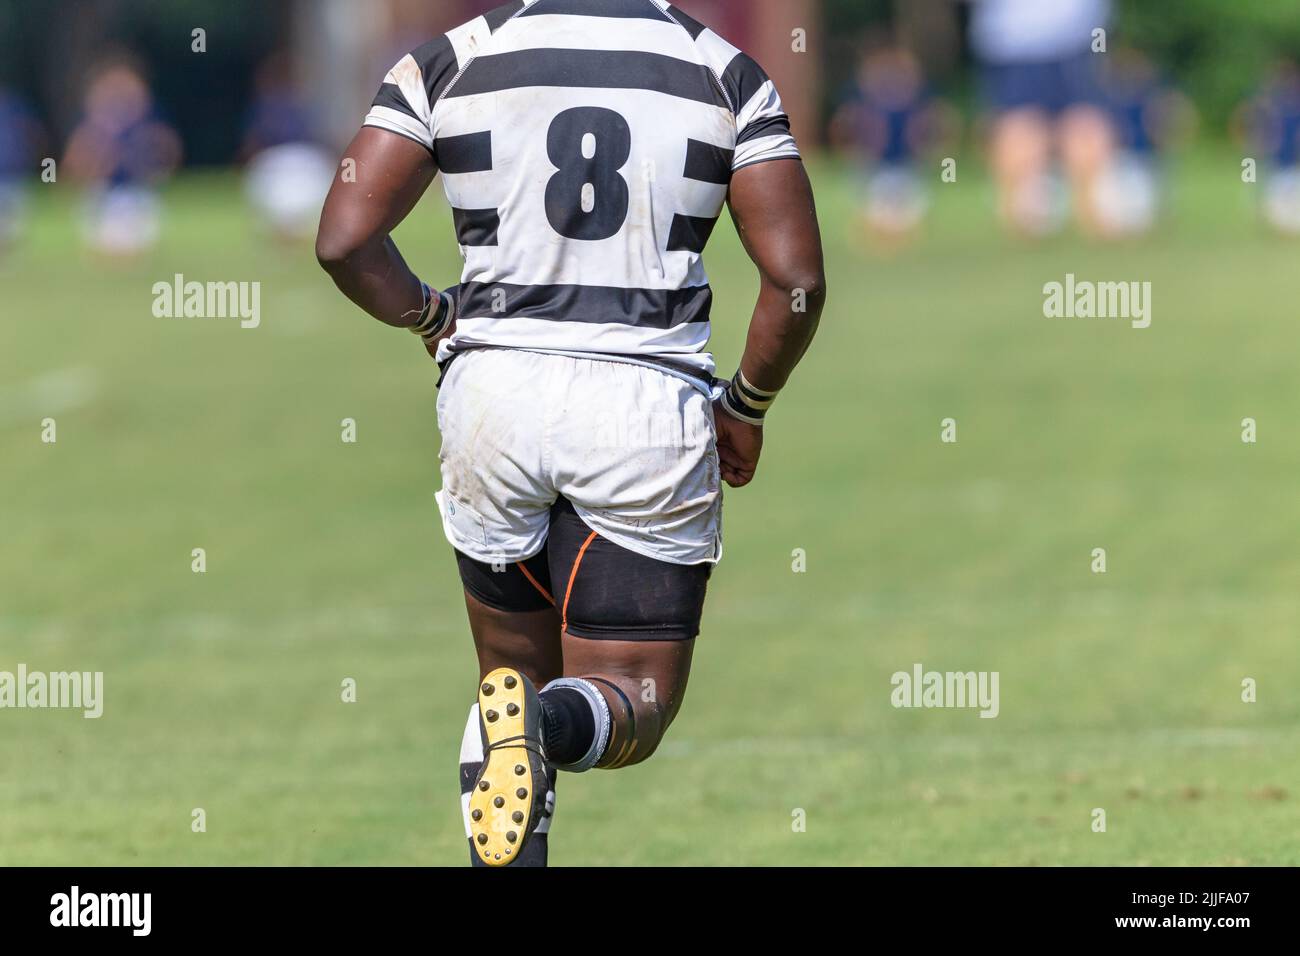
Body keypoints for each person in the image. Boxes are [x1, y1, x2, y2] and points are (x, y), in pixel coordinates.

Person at [316, 0, 825, 866]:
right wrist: (746, 404)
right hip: (643, 401)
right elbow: (795, 279)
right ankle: (546, 723)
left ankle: (521, 726)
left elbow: (344, 238)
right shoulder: (724, 73)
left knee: (501, 684)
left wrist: (436, 319)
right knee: (632, 698)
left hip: (492, 397)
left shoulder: (452, 59)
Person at [969, 0, 1115, 236]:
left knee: (1076, 120)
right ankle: (1028, 215)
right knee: (1028, 123)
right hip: (1030, 36)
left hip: (1030, 36)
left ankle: (1074, 213)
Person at [63, 56, 181, 257]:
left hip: (138, 194)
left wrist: (156, 172)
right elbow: (74, 161)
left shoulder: (148, 120)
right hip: (104, 195)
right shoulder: (93, 125)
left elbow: (169, 148)